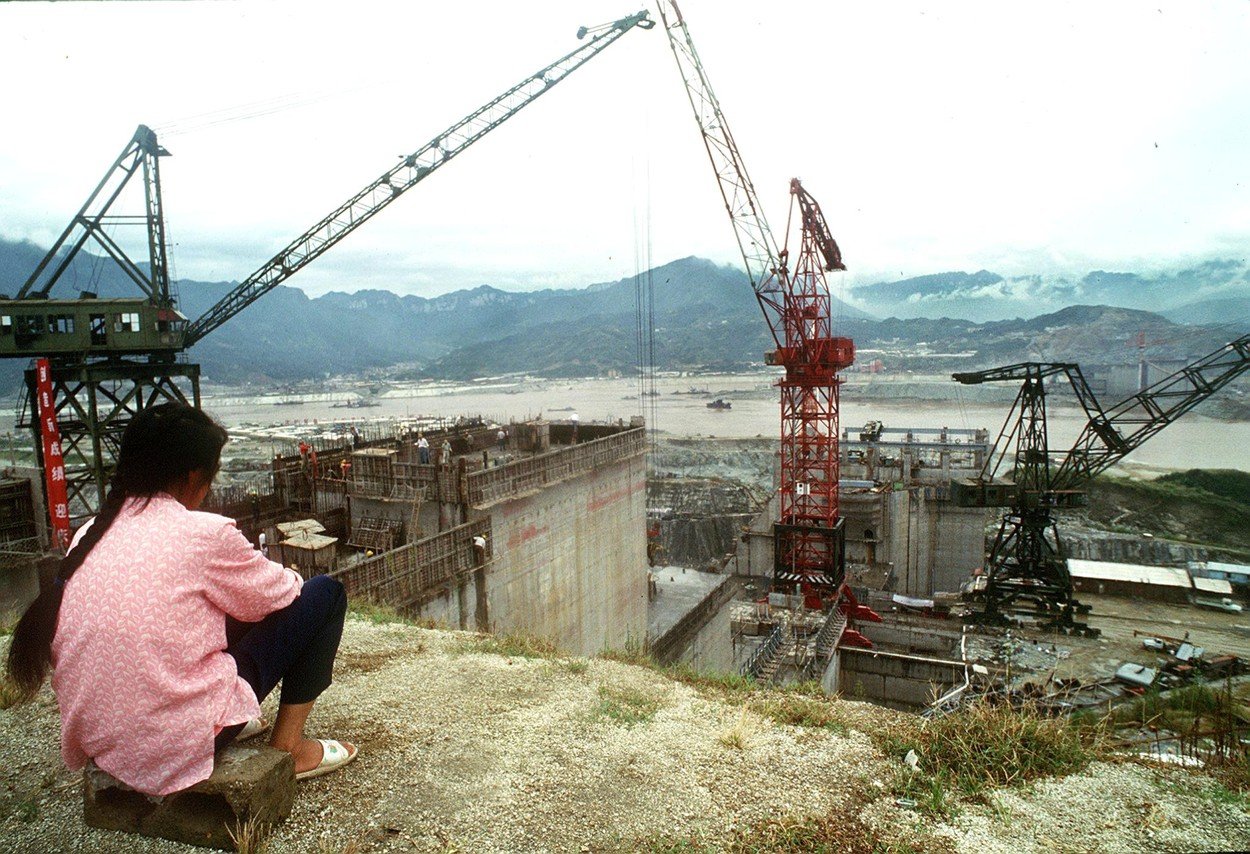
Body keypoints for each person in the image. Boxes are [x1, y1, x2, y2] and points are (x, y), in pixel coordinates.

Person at [4, 403, 356, 797]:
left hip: (103, 744)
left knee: (212, 609)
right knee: (325, 594)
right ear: (193, 476)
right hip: (172, 746)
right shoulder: (202, 534)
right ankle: (290, 747)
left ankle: (225, 715)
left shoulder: (89, 534)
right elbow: (280, 593)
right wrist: (291, 576)